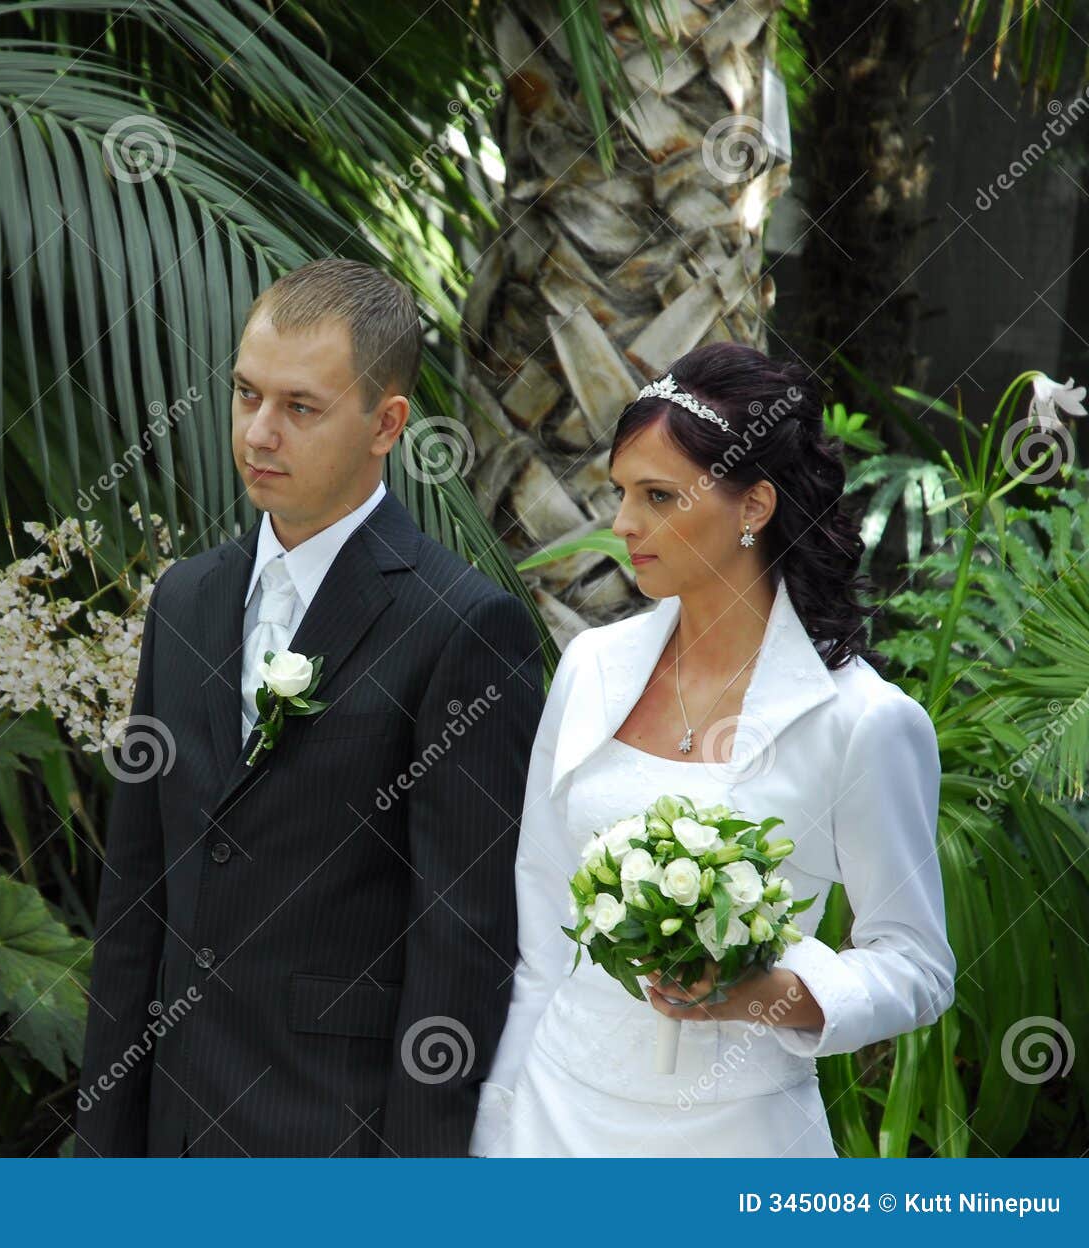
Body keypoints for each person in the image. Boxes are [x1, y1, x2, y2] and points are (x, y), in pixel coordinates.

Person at [74, 258, 544, 1156]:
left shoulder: (462, 626)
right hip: (172, 1132)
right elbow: (135, 893)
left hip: (337, 1132)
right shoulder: (184, 599)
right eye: (247, 395)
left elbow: (462, 941)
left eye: (300, 407)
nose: (259, 432)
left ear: (388, 423)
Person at [470, 342, 956, 1157]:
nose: (623, 525)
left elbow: (916, 964)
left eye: (658, 496)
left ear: (753, 507)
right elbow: (542, 935)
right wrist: (498, 1126)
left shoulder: (864, 723)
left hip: (737, 1139)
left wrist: (767, 993)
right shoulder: (591, 668)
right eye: (621, 493)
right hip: (555, 1119)